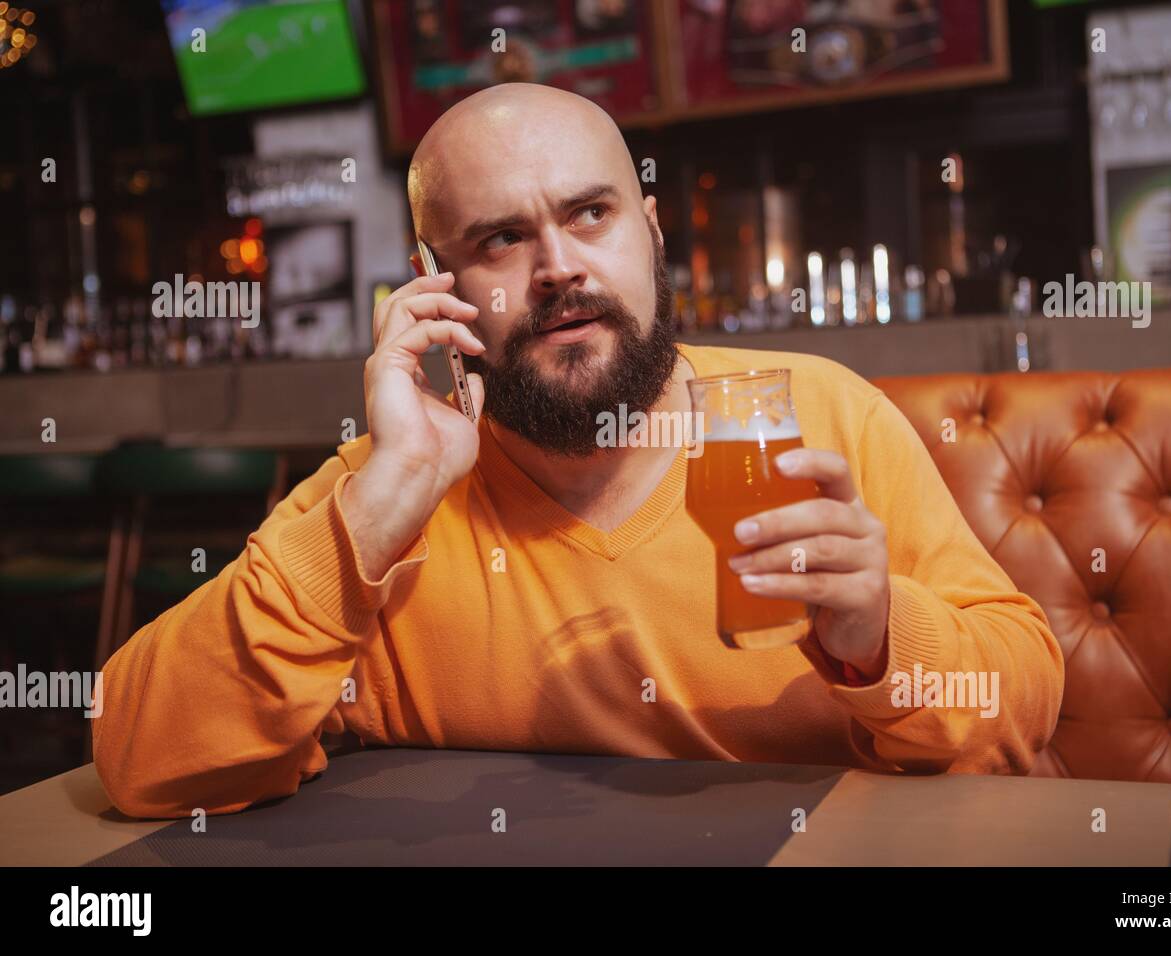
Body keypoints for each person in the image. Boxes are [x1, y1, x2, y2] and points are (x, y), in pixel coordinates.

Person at [93, 84, 1063, 818]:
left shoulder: (815, 416)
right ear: (435, 287)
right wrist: (374, 511)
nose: (558, 267)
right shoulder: (386, 497)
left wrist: (880, 640)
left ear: (648, 233)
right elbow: (139, 754)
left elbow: (1024, 700)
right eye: (503, 238)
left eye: (590, 214)